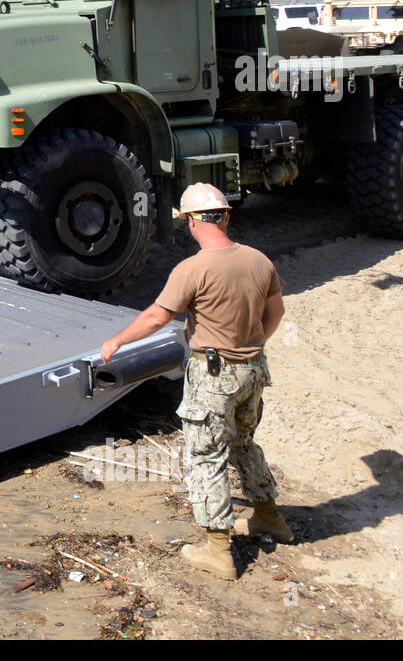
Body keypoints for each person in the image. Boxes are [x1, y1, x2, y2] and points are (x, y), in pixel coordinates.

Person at [99, 182, 292, 581]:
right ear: (226, 216)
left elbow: (157, 317)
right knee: (243, 442)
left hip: (214, 375)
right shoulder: (258, 260)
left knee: (207, 455)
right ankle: (269, 518)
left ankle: (219, 551)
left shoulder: (192, 269)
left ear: (189, 221)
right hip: (254, 369)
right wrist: (252, 346)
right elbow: (276, 313)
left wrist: (118, 339)